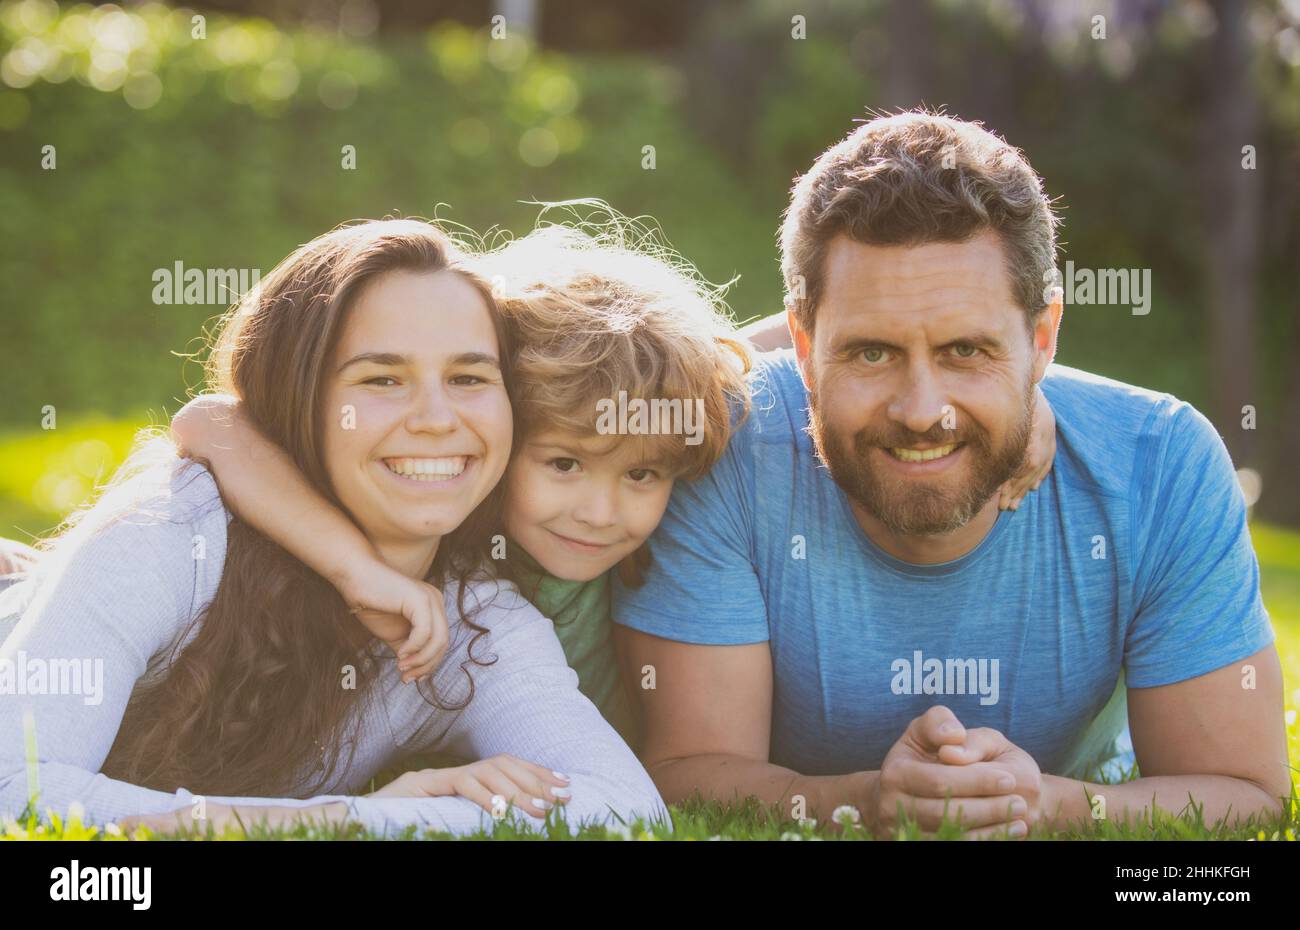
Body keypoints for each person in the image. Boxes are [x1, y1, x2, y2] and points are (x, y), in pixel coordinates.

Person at [154, 210, 1056, 769]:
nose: (600, 509)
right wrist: (357, 567)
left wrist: (1026, 403)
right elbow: (208, 419)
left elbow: (782, 353)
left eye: (642, 477)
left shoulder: (658, 466)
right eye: (561, 465)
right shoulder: (428, 523)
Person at [610, 110, 1289, 838]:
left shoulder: (1162, 463)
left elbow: (1244, 791)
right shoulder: (724, 447)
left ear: (1043, 338)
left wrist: (1045, 807)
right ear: (802, 346)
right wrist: (866, 805)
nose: (921, 410)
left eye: (966, 350)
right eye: (871, 352)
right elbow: (689, 769)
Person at [0, 219, 665, 836]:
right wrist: (349, 819)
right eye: (382, 379)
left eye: (468, 377)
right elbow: (16, 789)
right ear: (299, 400)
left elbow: (626, 807)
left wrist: (391, 821)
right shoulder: (175, 532)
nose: (437, 418)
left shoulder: (476, 624)